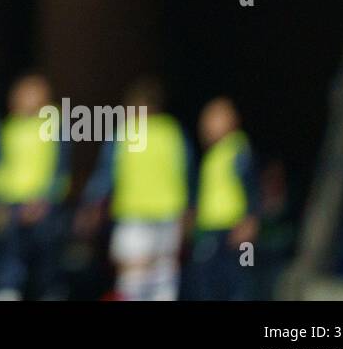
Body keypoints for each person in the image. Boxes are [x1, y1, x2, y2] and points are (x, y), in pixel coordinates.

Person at [79, 77, 193, 300]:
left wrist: (91, 206)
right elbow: (188, 176)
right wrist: (188, 210)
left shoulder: (126, 132)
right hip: (167, 216)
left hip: (135, 217)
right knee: (164, 280)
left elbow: (105, 174)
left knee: (133, 281)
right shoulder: (173, 132)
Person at [0, 73, 71, 300]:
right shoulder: (10, 127)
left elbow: (60, 169)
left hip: (43, 206)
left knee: (46, 268)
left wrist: (44, 200)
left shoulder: (55, 124)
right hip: (12, 205)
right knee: (8, 266)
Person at [186, 97, 258, 300]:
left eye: (213, 118)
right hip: (210, 231)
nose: (206, 125)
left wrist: (250, 219)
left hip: (236, 230)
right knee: (206, 282)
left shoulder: (239, 149)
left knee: (241, 278)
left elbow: (251, 185)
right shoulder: (212, 156)